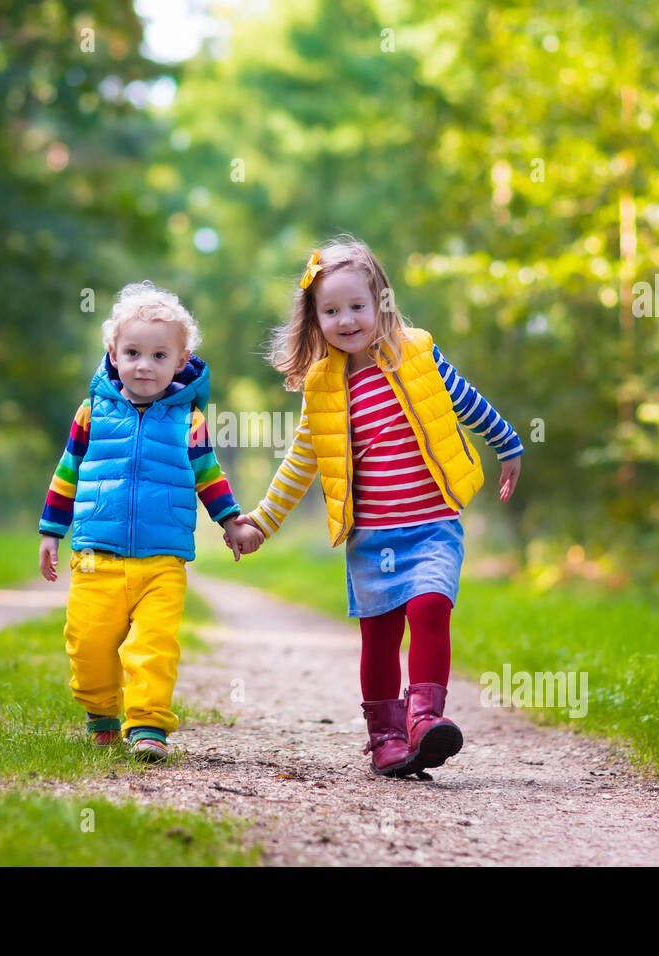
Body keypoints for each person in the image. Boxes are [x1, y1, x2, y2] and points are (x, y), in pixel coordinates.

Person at [226, 237, 523, 778]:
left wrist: (507, 444)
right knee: (379, 636)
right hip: (372, 537)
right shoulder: (323, 389)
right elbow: (300, 464)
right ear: (315, 320)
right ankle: (385, 736)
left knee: (432, 606)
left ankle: (424, 718)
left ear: (381, 302)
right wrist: (260, 524)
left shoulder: (416, 356)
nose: (346, 319)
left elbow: (464, 399)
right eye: (331, 311)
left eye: (357, 306)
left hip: (433, 524)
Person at [38, 281, 264, 761]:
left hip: (162, 562)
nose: (145, 365)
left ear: (180, 362)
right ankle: (101, 714)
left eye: (160, 356)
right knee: (89, 645)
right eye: (134, 352)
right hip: (96, 556)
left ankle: (146, 726)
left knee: (153, 646)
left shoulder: (190, 421)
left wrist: (232, 524)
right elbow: (66, 472)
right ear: (113, 354)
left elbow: (209, 476)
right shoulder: (91, 413)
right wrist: (50, 531)